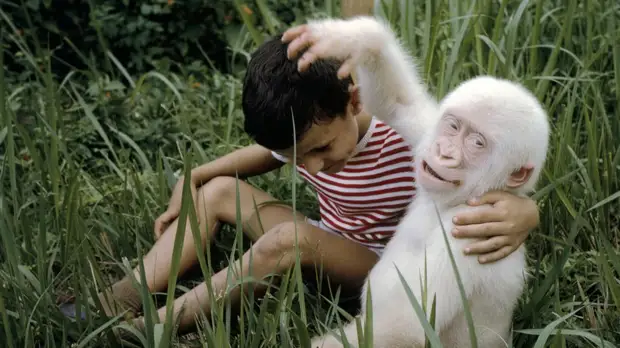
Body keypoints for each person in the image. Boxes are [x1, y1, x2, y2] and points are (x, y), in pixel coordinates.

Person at [60, 34, 539, 334]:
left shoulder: (407, 133)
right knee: (220, 193)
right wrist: (197, 176)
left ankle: (153, 327)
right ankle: (115, 300)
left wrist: (525, 212)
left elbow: (476, 173)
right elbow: (263, 157)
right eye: (297, 158)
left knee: (289, 240)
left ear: (353, 101)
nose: (314, 166)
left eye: (321, 150)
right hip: (326, 234)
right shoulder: (305, 131)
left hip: (379, 263)